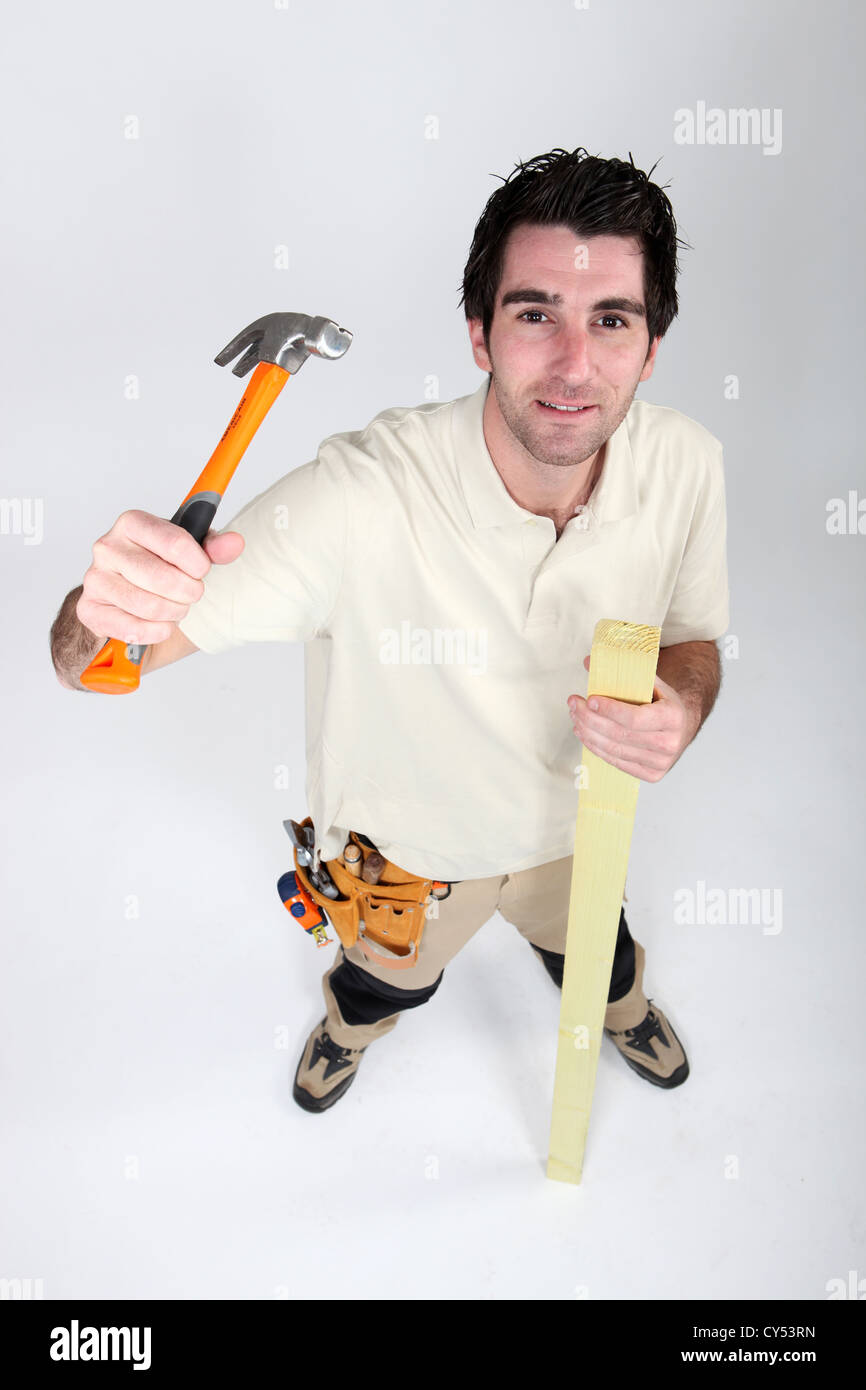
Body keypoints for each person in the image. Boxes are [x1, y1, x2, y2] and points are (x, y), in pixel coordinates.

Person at [51, 146, 729, 1114]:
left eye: (610, 320)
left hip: (578, 832)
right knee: (381, 980)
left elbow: (693, 636)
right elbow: (92, 664)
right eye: (534, 312)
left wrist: (685, 703)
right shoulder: (358, 497)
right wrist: (100, 607)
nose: (574, 364)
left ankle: (620, 1009)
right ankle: (348, 1029)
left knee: (600, 953)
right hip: (405, 861)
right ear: (480, 335)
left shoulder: (687, 464)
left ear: (650, 348)